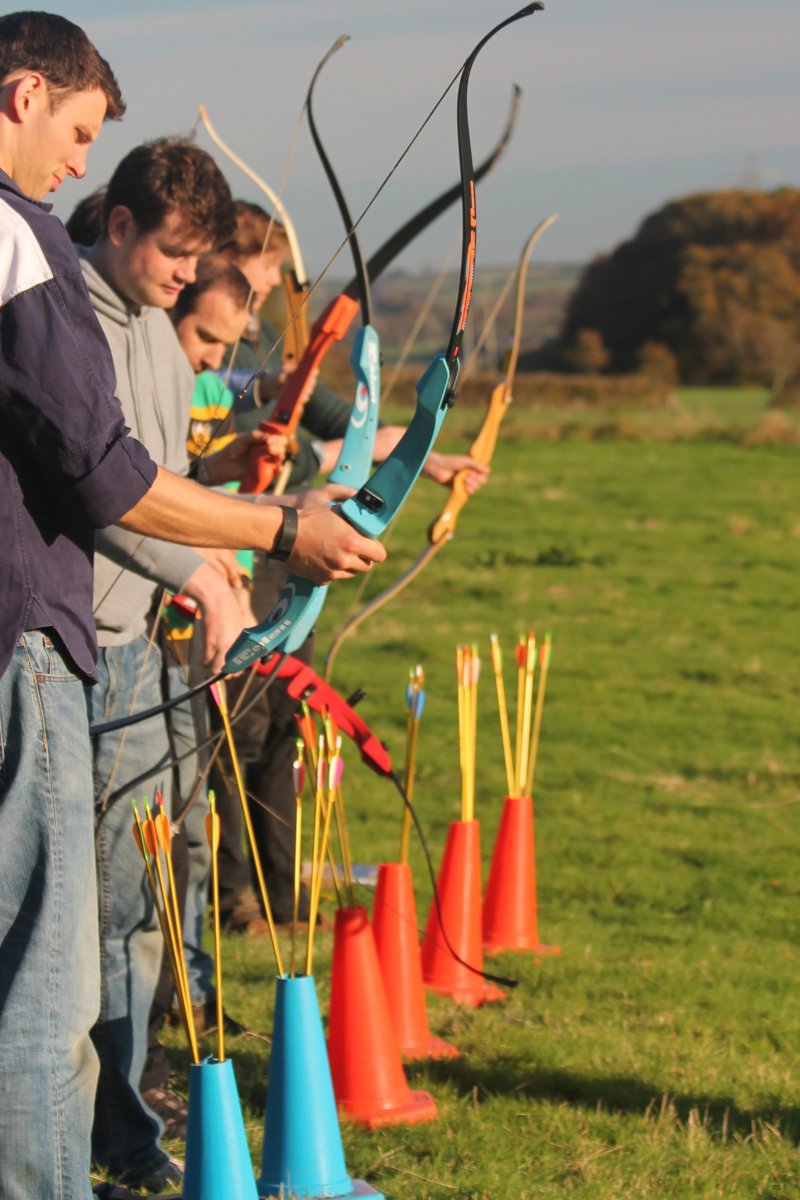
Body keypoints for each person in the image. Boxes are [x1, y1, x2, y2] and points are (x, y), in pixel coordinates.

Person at [0, 18, 383, 1199]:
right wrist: (270, 533)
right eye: (72, 134)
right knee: (44, 992)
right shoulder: (15, 244)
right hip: (34, 641)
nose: (74, 164)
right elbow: (102, 472)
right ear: (21, 94)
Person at [77, 140, 362, 1192]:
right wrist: (233, 546)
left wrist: (292, 500)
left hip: (155, 640)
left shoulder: (169, 339)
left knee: (162, 884)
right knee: (114, 899)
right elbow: (114, 483)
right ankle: (115, 1115)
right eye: (235, 295)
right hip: (107, 647)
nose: (240, 325)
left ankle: (136, 1102)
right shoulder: (96, 325)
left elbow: (181, 462)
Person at [211, 201, 490, 933]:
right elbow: (214, 402)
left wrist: (421, 456)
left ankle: (280, 890)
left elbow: (338, 420)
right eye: (268, 270)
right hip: (229, 548)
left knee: (281, 720)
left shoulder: (262, 339)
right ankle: (229, 891)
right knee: (233, 728)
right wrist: (264, 406)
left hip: (282, 539)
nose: (273, 287)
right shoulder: (208, 338)